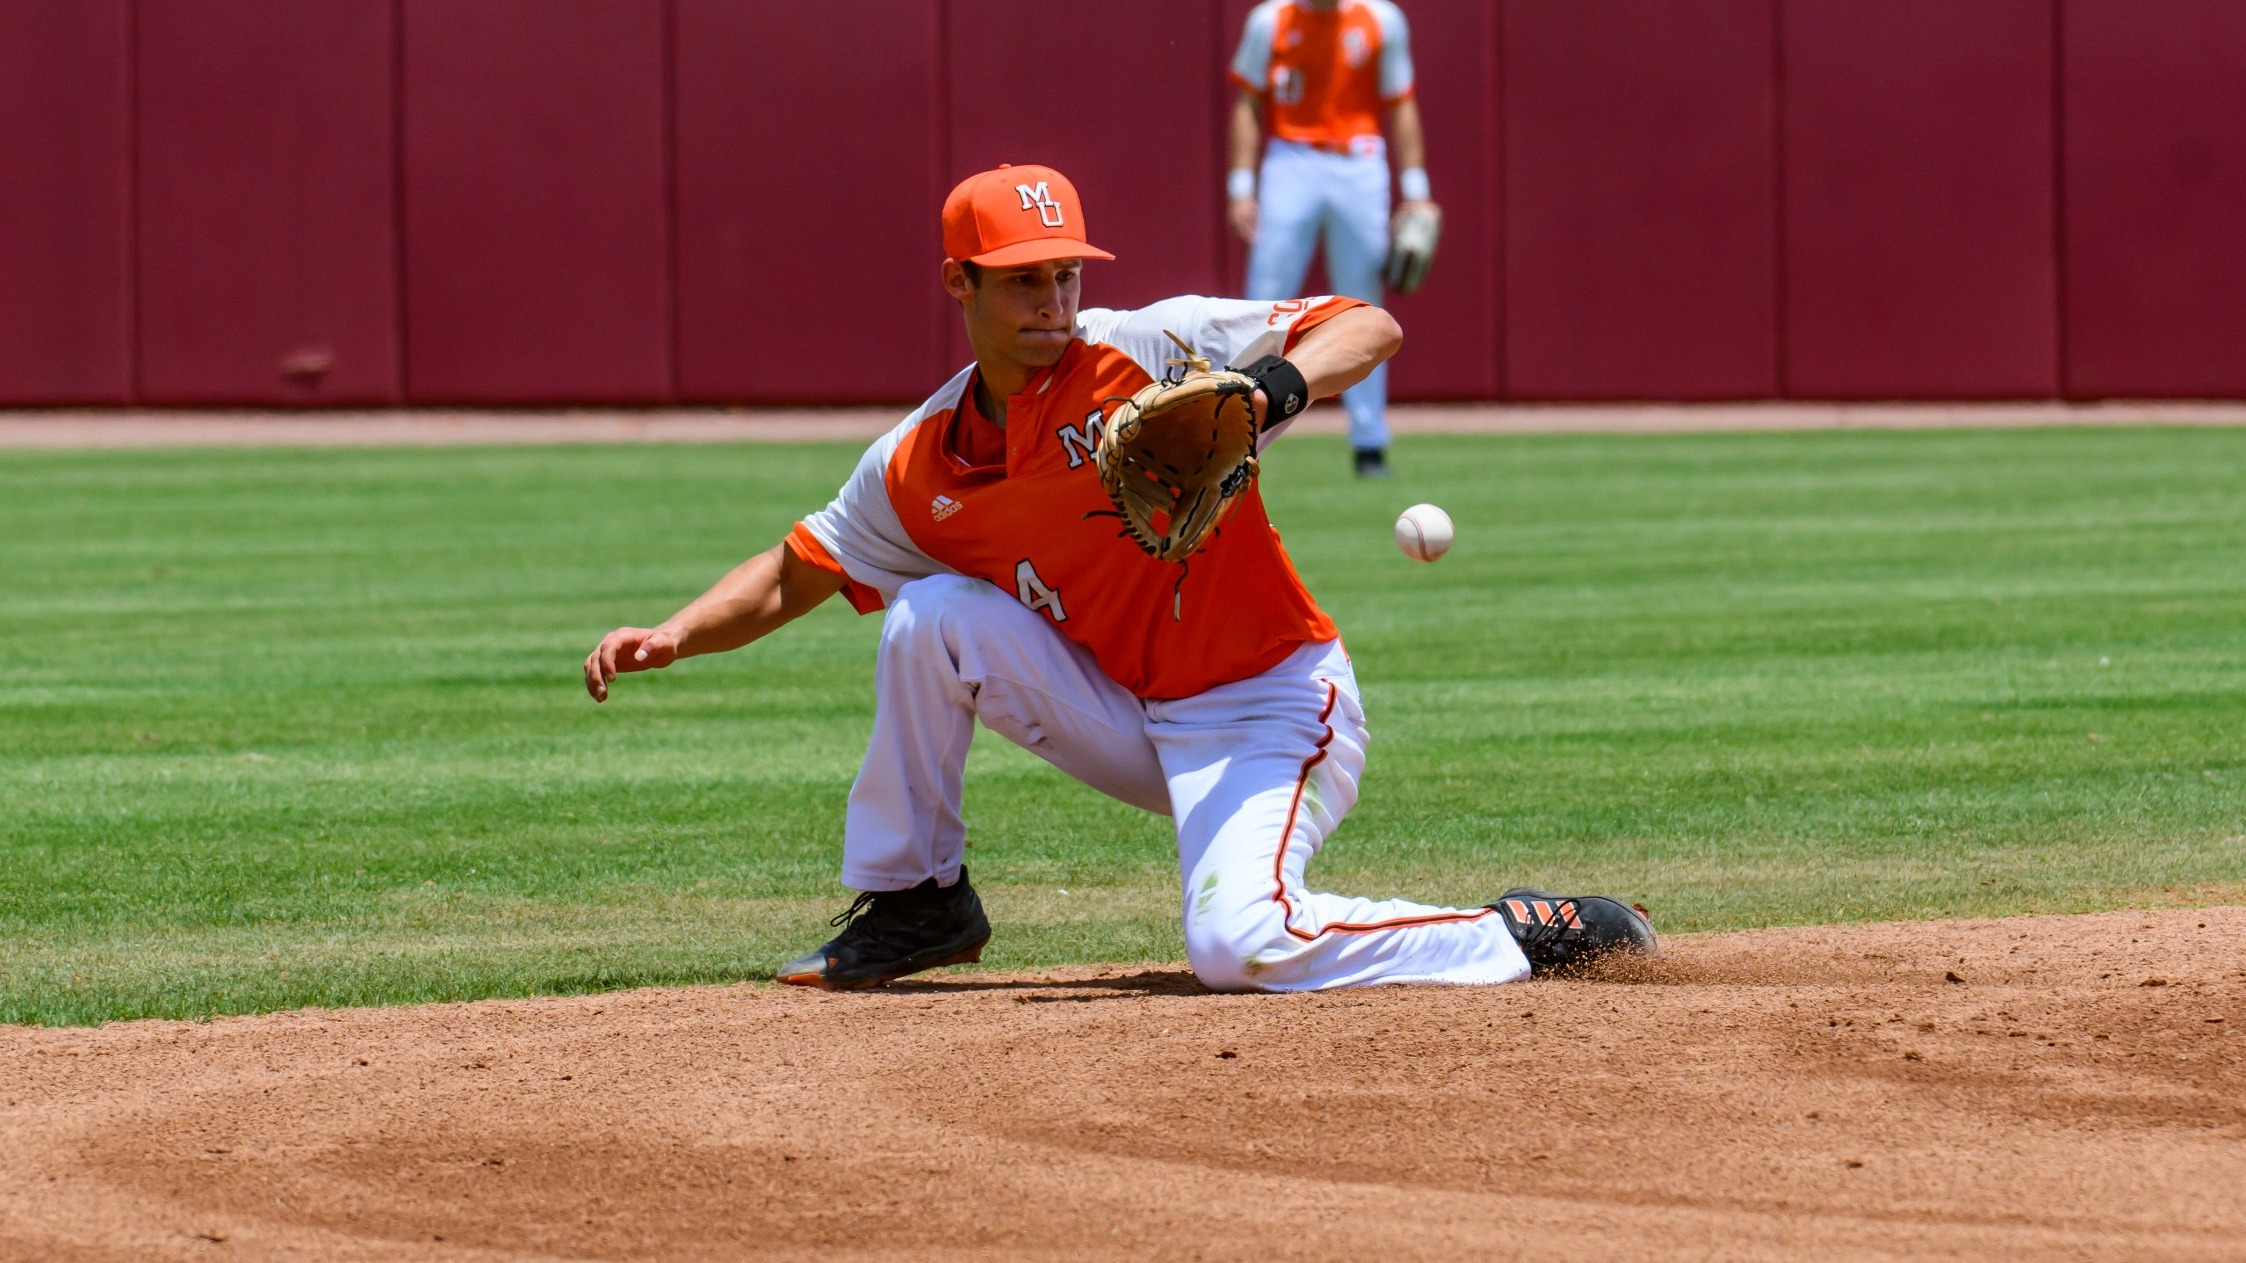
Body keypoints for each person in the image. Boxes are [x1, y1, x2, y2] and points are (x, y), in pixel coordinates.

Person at [583, 164, 1651, 993]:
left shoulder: (1147, 348)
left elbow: (1366, 325)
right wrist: (673, 635)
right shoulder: (915, 464)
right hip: (1131, 715)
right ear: (958, 282)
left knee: (1238, 946)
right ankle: (917, 904)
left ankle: (1511, 935)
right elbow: (794, 573)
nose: (1053, 301)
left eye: (1065, 273)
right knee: (929, 617)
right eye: (1022, 280)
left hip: (1273, 704)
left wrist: (1267, 388)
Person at [1227, 0, 1437, 479]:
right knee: (1263, 304)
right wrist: (1240, 187)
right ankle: (1239, 432)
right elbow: (1248, 103)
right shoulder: (1270, 19)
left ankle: (1369, 441)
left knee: (1363, 305)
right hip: (1290, 155)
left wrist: (1417, 192)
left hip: (1358, 158)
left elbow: (1400, 103)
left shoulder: (1379, 18)